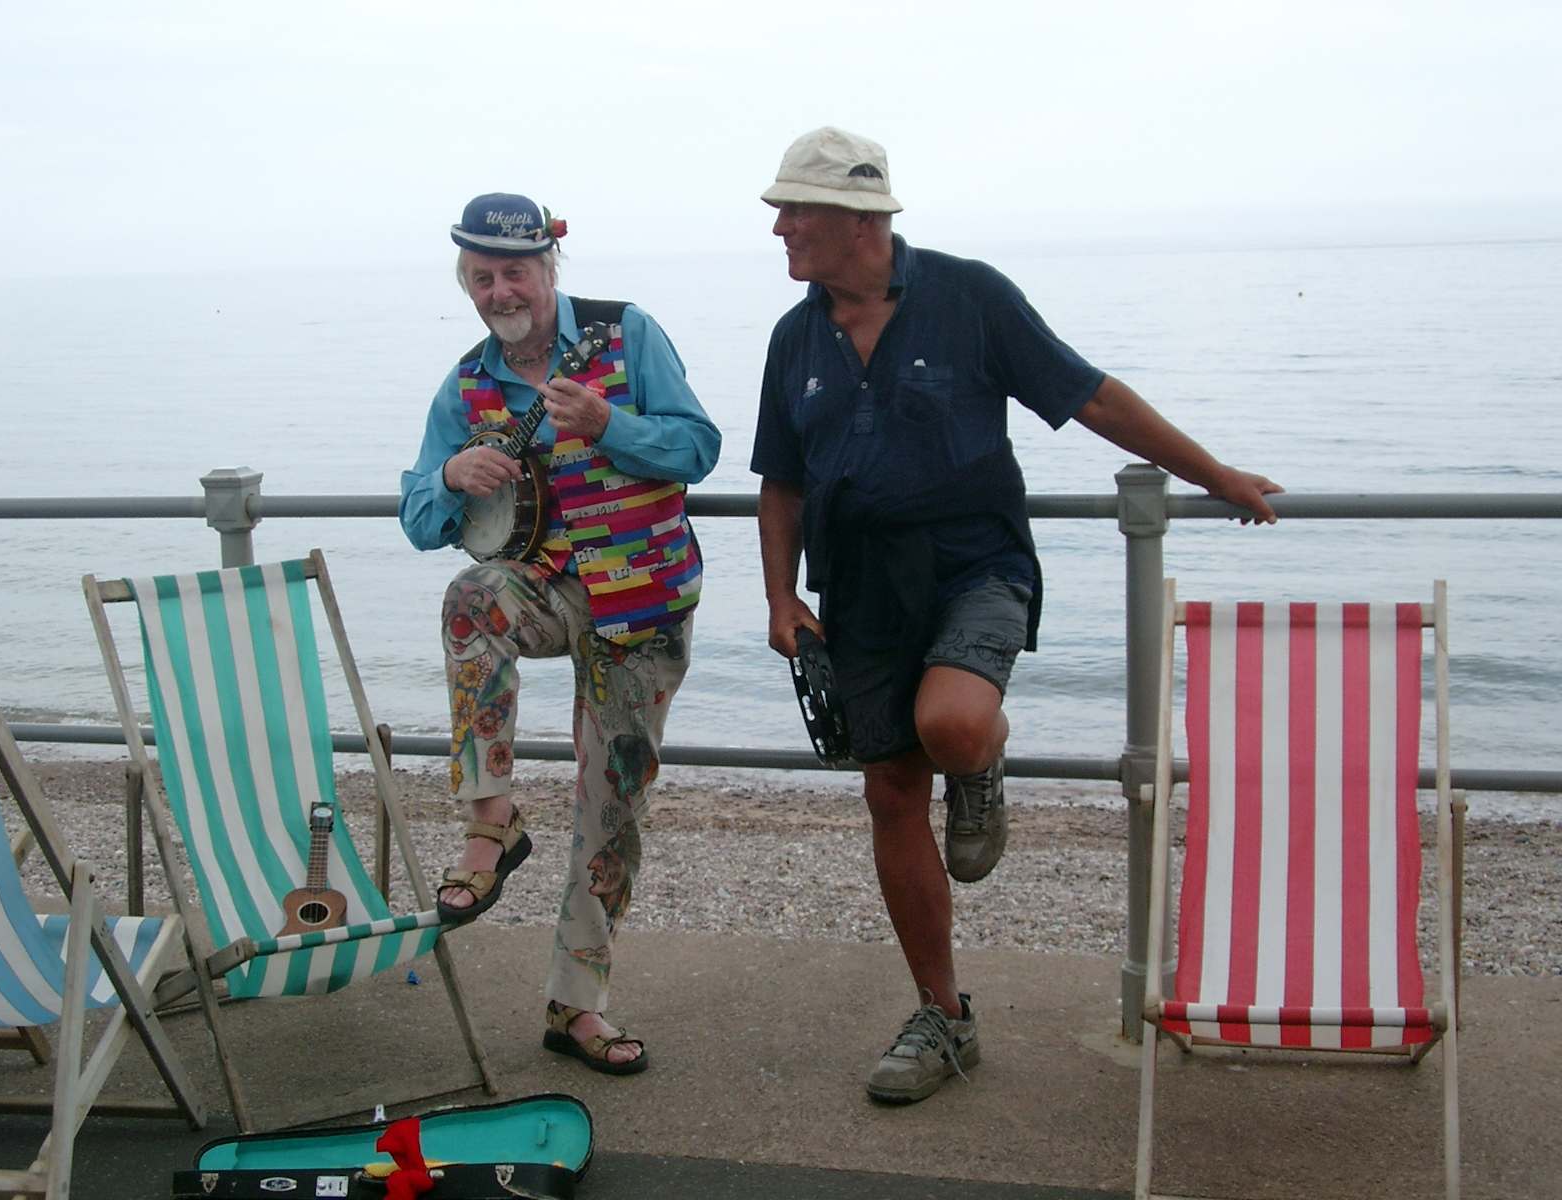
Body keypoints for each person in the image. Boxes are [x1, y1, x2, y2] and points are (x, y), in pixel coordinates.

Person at [750, 128, 1281, 1104]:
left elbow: (1093, 400)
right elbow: (780, 483)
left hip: (974, 564)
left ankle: (981, 761)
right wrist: (782, 597)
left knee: (950, 724)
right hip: (857, 587)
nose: (777, 225)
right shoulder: (794, 337)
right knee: (890, 797)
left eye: (797, 209)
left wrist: (1214, 475)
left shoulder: (968, 297)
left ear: (862, 220)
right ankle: (943, 1017)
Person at [401, 192, 720, 1075]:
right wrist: (452, 479)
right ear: (465, 281)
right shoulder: (467, 383)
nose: (500, 291)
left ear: (549, 270)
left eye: (515, 273)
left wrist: (609, 425)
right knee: (471, 599)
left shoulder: (628, 334)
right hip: (546, 590)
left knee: (610, 809)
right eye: (481, 276)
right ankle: (490, 821)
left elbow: (700, 448)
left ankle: (575, 1008)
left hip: (644, 602)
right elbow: (417, 515)